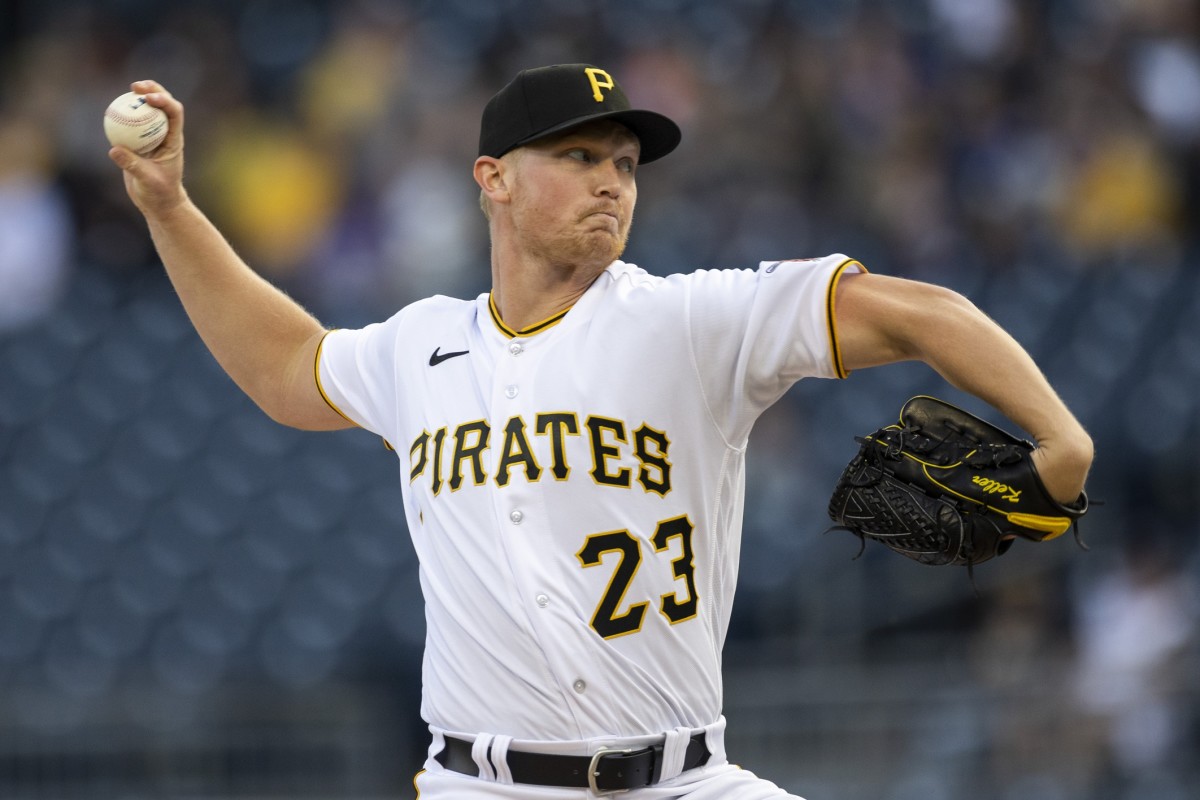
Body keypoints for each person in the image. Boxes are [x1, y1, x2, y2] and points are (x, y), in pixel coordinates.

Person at [110, 64, 1093, 799]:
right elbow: (287, 368)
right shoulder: (419, 346)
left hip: (687, 779)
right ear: (493, 178)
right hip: (480, 785)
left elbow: (922, 313)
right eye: (578, 157)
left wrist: (1060, 440)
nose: (612, 181)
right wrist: (170, 208)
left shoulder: (690, 321)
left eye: (624, 163)